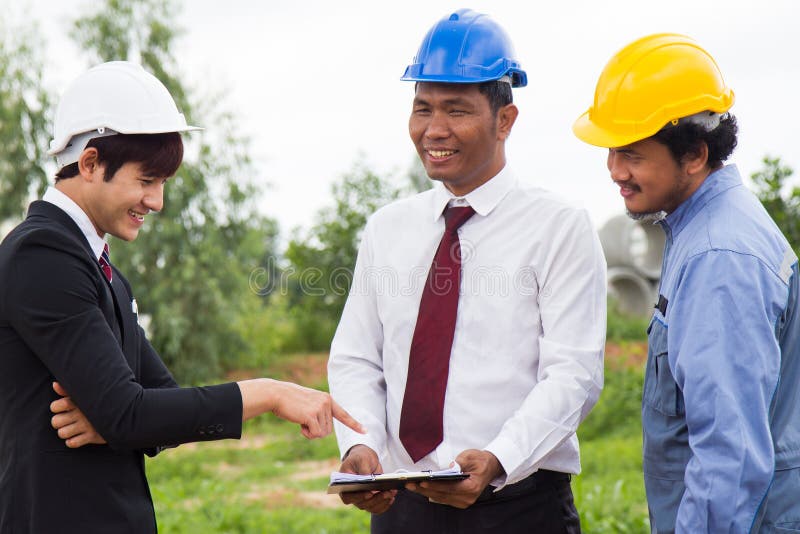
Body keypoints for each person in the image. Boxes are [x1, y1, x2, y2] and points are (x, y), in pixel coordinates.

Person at [0, 61, 363, 534]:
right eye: (146, 181)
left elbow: (157, 403)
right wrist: (270, 393)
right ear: (89, 163)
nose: (156, 202)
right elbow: (133, 414)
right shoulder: (42, 254)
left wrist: (116, 421)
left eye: (163, 184)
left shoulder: (105, 271)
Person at [327, 9, 607, 533]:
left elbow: (575, 373)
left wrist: (499, 458)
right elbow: (356, 357)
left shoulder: (560, 226)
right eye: (422, 108)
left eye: (456, 110)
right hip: (401, 507)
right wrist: (362, 443)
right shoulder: (388, 228)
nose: (434, 129)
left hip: (518, 508)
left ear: (505, 120)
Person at [573, 33, 800, 532]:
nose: (614, 170)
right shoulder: (700, 226)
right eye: (612, 149)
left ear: (694, 155)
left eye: (631, 152)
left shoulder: (719, 258)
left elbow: (729, 460)